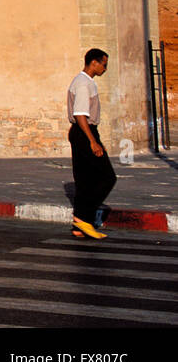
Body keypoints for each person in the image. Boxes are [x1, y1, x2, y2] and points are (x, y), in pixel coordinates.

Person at [68, 48, 116, 239]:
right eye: (104, 64)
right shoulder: (83, 83)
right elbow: (80, 115)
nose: (105, 68)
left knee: (85, 179)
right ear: (93, 63)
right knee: (107, 177)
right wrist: (92, 141)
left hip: (81, 131)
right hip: (85, 131)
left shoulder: (85, 82)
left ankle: (79, 227)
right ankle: (83, 217)